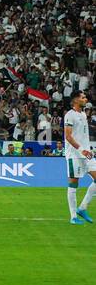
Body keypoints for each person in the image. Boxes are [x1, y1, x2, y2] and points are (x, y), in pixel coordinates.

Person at [63, 92, 95, 224]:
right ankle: (73, 217)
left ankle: (82, 208)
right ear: (76, 100)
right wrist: (82, 150)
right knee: (73, 184)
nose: (85, 99)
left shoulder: (83, 114)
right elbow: (68, 136)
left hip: (86, 154)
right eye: (83, 97)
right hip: (74, 155)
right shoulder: (69, 115)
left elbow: (82, 135)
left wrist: (89, 148)